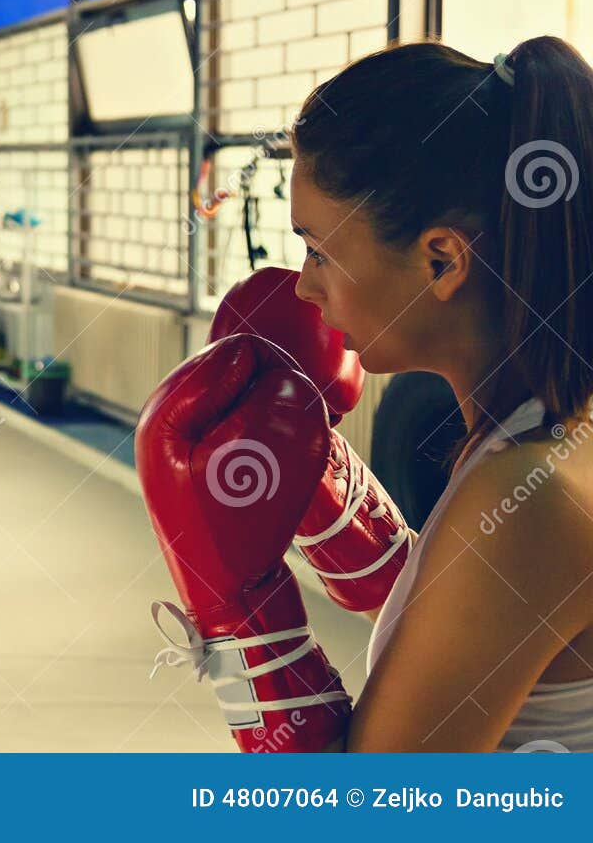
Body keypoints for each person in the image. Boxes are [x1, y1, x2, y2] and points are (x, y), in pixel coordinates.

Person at [142, 37, 593, 751]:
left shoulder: (523, 497)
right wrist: (346, 511)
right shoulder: (549, 429)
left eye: (320, 250)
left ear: (441, 260)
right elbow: (495, 630)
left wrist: (238, 618)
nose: (303, 286)